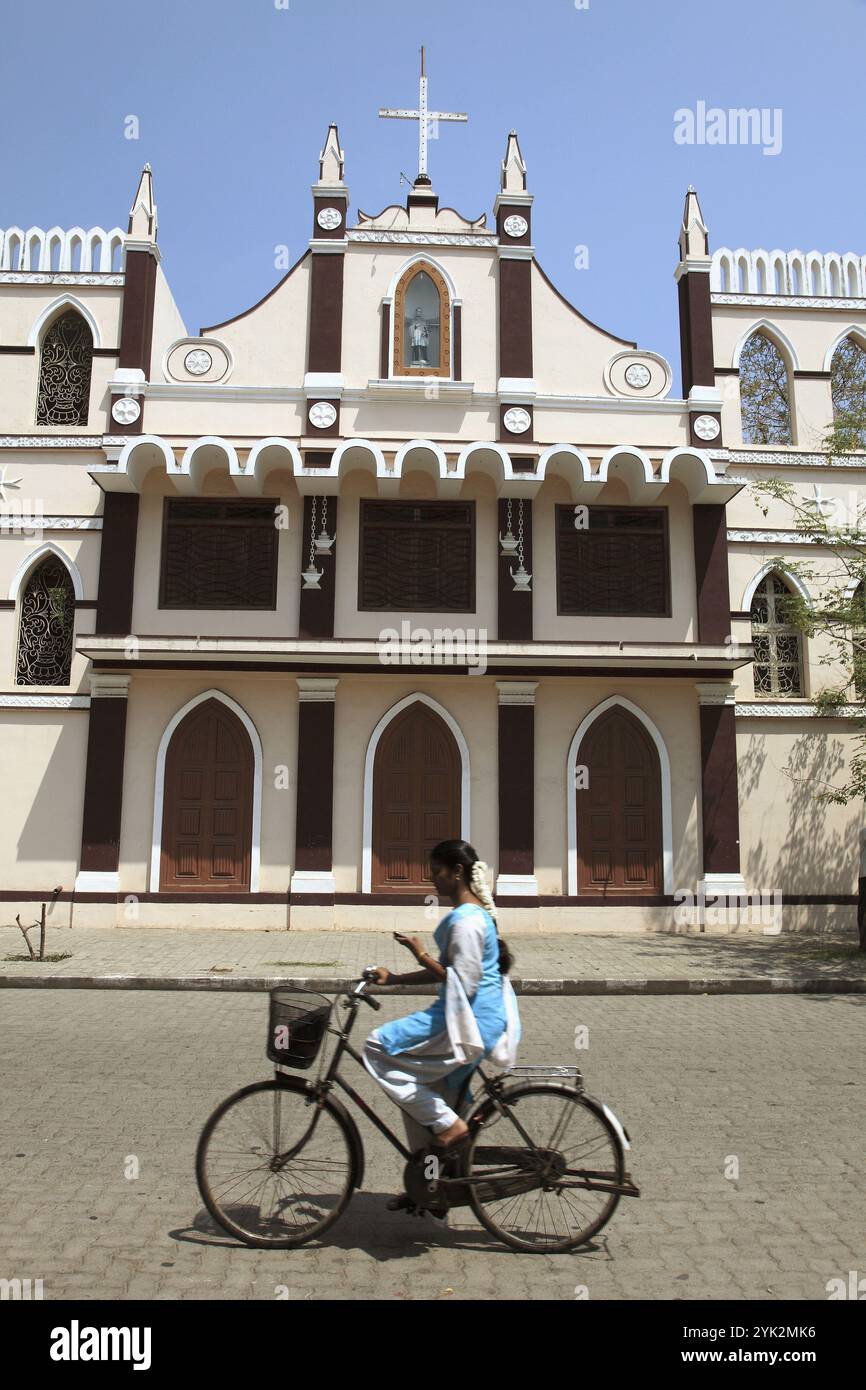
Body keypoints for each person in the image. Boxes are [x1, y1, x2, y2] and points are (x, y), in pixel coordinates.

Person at [362, 840, 520, 1210]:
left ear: (458, 872)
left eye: (437, 872)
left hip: (468, 1021)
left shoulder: (466, 920)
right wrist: (396, 978)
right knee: (421, 1101)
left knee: (377, 1045)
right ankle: (429, 1187)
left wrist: (419, 954)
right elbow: (453, 976)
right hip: (465, 1014)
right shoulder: (473, 914)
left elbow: (460, 983)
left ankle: (453, 1130)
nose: (433, 880)